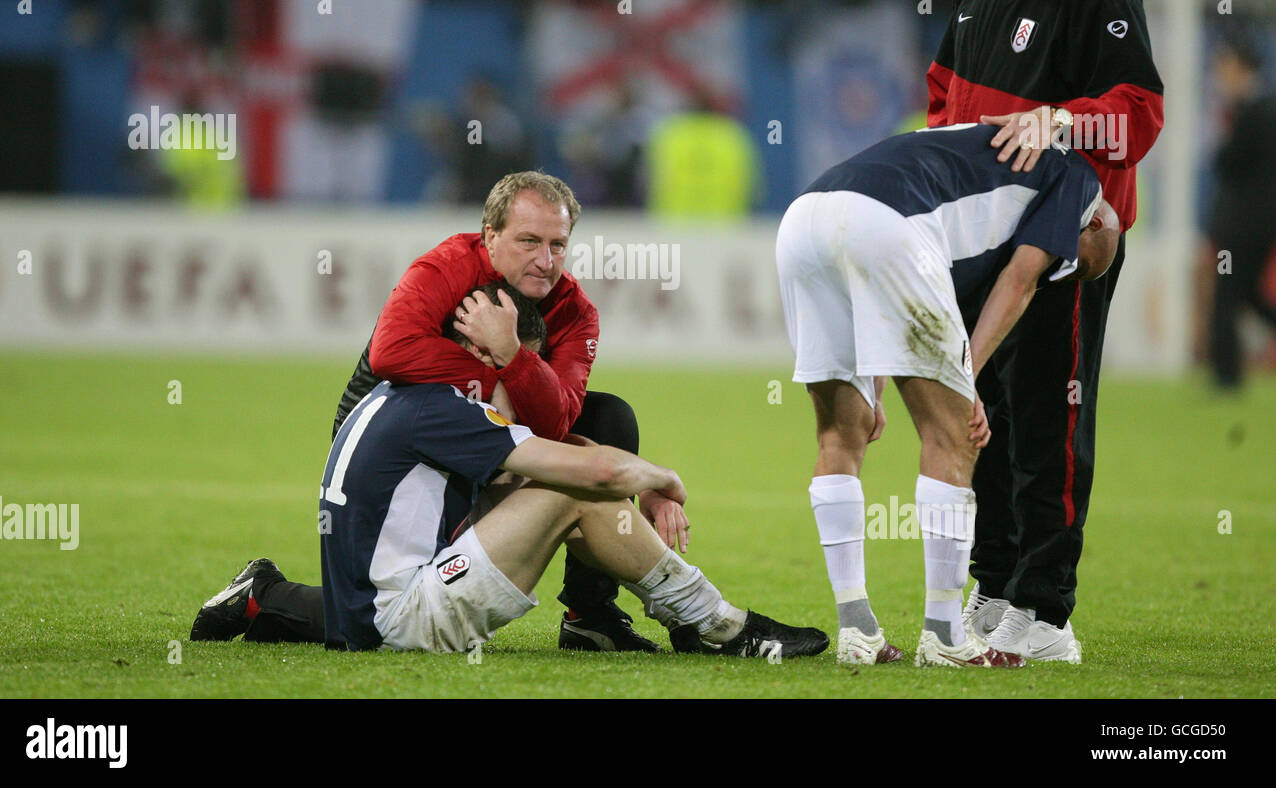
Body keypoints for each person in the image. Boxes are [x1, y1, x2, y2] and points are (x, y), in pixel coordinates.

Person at [195, 285, 829, 659]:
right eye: (510, 361)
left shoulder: (411, 391)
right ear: (475, 350)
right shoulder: (441, 409)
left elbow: (542, 449)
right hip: (402, 619)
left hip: (362, 606)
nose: (515, 377)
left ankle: (690, 621)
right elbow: (590, 473)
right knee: (571, 490)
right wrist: (662, 478)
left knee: (567, 485)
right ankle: (721, 627)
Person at [928, 0, 1164, 662]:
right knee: (981, 412)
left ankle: (1047, 610)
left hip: (1062, 235)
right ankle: (994, 589)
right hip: (980, 234)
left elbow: (1139, 112)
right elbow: (944, 93)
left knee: (1047, 423)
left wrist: (1062, 118)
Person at [778, 123, 1119, 668]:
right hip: (888, 226)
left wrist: (878, 387)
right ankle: (945, 635)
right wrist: (969, 379)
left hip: (805, 218)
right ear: (1095, 223)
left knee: (841, 432)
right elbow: (1020, 281)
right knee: (954, 435)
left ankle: (857, 630)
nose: (1062, 267)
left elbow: (891, 263)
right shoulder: (1076, 177)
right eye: (1071, 260)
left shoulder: (974, 154)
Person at [328, 171, 662, 652]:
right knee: (399, 585)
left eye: (558, 244)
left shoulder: (574, 311)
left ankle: (589, 613)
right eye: (528, 241)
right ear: (489, 235)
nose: (545, 261)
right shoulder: (445, 268)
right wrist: (495, 382)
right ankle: (271, 596)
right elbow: (390, 354)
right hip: (392, 446)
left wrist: (512, 355)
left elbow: (557, 422)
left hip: (487, 434)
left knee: (609, 418)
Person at [1207, 35, 1276, 389]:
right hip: (1250, 225)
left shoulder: (1258, 111)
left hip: (1246, 226)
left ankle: (1226, 377)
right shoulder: (1255, 110)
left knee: (1227, 298)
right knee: (1249, 295)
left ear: (1244, 70)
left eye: (1227, 68)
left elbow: (1231, 163)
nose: (1221, 75)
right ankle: (1226, 375)